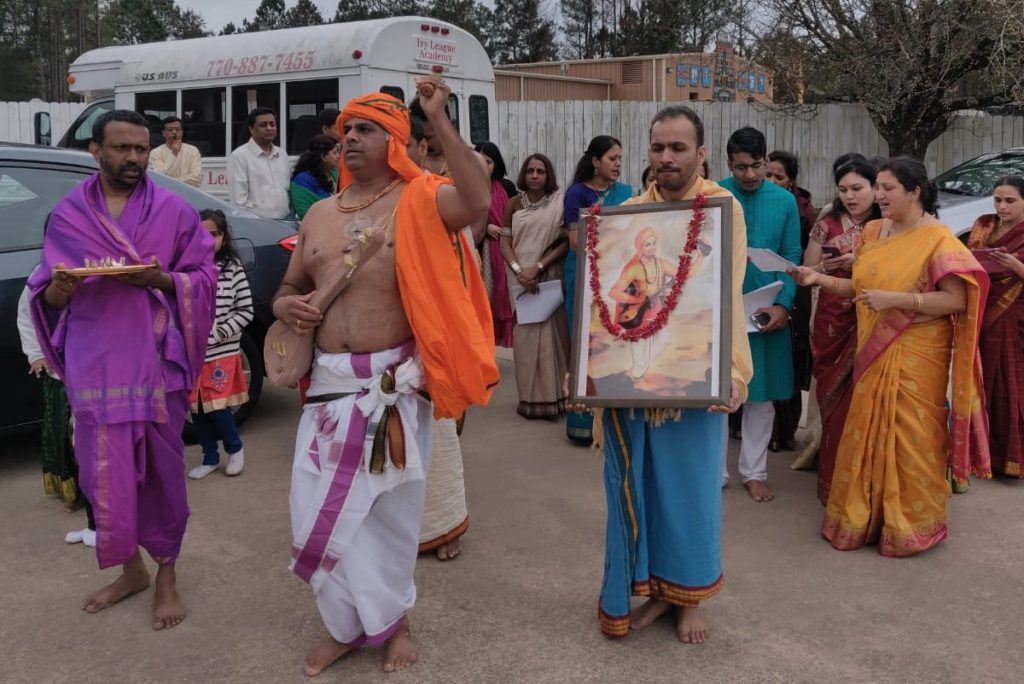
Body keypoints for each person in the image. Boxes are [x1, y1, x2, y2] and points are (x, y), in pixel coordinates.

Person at [273, 83, 495, 675]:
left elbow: (478, 203)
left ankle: (394, 626)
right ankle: (346, 627)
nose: (349, 138)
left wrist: (440, 120)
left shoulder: (421, 200)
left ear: (394, 141)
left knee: (389, 518)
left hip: (389, 391)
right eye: (345, 130)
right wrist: (283, 307)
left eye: (365, 129)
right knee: (313, 508)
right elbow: (291, 286)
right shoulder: (319, 213)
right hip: (327, 386)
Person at [27, 109, 215, 629]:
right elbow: (47, 289)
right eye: (122, 149)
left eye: (141, 149)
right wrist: (58, 293)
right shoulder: (67, 215)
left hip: (157, 368)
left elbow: (202, 276)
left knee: (161, 478)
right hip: (97, 365)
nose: (133, 158)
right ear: (96, 152)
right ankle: (131, 571)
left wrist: (159, 280)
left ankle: (168, 578)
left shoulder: (174, 212)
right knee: (102, 477)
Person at [577, 105, 751, 644]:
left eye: (678, 148)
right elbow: (604, 297)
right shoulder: (625, 215)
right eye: (657, 148)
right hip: (636, 375)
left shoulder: (723, 211)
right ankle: (655, 590)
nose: (666, 158)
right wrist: (587, 373)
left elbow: (728, 296)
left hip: (695, 378)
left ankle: (690, 596)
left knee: (692, 489)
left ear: (701, 153)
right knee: (642, 489)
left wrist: (733, 374)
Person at [791, 157, 990, 556]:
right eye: (877, 187)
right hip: (874, 349)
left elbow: (955, 299)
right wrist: (821, 280)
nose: (877, 195)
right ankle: (866, 517)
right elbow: (861, 290)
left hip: (918, 352)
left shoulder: (940, 240)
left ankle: (908, 523)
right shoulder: (873, 232)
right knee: (866, 430)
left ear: (914, 192)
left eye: (887, 188)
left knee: (909, 437)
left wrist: (898, 300)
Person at [720, 127, 801, 502]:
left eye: (755, 166)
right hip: (722, 310)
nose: (749, 175)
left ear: (767, 161)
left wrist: (784, 304)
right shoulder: (715, 196)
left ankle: (754, 472)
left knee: (761, 397)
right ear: (729, 165)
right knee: (718, 395)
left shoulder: (784, 202)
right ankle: (713, 471)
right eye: (740, 168)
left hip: (767, 311)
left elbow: (792, 256)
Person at [802, 158, 880, 504]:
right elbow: (808, 267)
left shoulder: (886, 223)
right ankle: (830, 461)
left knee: (865, 393)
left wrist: (860, 263)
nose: (850, 196)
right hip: (831, 317)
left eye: (857, 189)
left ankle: (862, 467)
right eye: (843, 189)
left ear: (875, 188)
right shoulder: (827, 222)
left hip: (871, 315)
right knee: (829, 390)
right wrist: (827, 267)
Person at [563, 135, 633, 443]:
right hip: (584, 275)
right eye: (611, 158)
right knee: (585, 343)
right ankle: (582, 424)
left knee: (616, 342)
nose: (618, 164)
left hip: (619, 278)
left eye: (620, 158)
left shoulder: (628, 193)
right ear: (595, 161)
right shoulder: (577, 194)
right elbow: (576, 242)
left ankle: (615, 419)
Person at [18, 278, 96, 546]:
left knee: (92, 441)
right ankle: (76, 495)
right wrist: (36, 355)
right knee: (63, 437)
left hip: (94, 372)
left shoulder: (97, 271)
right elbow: (27, 316)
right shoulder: (39, 279)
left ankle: (99, 503)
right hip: (58, 373)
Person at [500, 153, 569, 419]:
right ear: (524, 174)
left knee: (554, 337)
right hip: (520, 282)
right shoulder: (513, 204)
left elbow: (564, 242)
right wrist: (520, 271)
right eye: (531, 171)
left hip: (548, 277)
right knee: (526, 340)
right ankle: (529, 399)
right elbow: (505, 243)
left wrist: (537, 268)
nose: (535, 176)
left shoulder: (558, 204)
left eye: (541, 171)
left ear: (548, 174)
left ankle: (556, 398)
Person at [187, 209, 254, 480]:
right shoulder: (187, 269)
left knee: (217, 406)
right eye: (200, 234)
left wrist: (219, 332)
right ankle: (210, 457)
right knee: (197, 410)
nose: (207, 239)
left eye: (212, 234)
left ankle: (234, 448)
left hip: (221, 352)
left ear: (223, 238)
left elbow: (246, 311)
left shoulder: (232, 269)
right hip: (193, 354)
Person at [967, 175, 1024, 478]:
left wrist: (1016, 267)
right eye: (998, 199)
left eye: (1010, 200)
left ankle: (1010, 457)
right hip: (982, 311)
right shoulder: (984, 224)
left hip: (1014, 316)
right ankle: (981, 452)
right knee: (982, 379)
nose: (1002, 206)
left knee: (1010, 384)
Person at [764, 150, 816, 452]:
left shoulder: (802, 211)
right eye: (767, 174)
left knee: (788, 361)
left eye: (778, 177)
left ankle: (783, 433)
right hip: (763, 284)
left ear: (791, 181)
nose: (771, 181)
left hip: (794, 291)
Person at [474, 141, 515, 348]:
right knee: (482, 299)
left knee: (507, 295)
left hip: (506, 251)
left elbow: (518, 217)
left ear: (496, 164)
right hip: (481, 252)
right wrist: (487, 227)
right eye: (478, 161)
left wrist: (505, 231)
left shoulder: (506, 187)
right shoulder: (467, 188)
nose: (483, 166)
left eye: (488, 162)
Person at [227, 107, 291, 219]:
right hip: (258, 223)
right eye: (263, 125)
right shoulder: (240, 156)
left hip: (285, 221)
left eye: (272, 124)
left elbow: (286, 189)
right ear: (251, 129)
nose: (269, 128)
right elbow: (238, 202)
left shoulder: (282, 154)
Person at [290, 135, 340, 220]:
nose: (338, 156)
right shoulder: (303, 179)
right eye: (334, 153)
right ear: (323, 157)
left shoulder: (334, 174)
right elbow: (304, 212)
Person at [148, 116, 203, 187]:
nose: (174, 132)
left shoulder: (192, 150)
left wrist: (172, 181)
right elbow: (161, 178)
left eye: (177, 129)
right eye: (170, 129)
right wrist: (174, 154)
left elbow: (196, 179)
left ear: (182, 132)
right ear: (163, 133)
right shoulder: (156, 153)